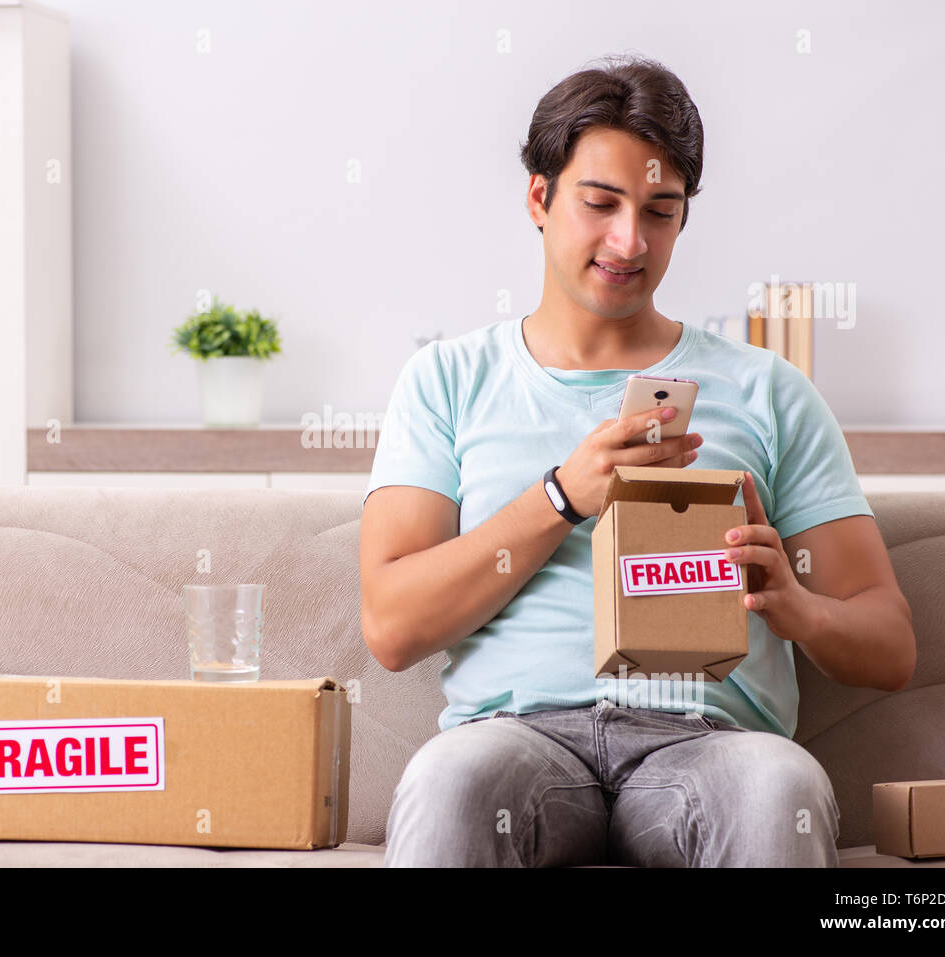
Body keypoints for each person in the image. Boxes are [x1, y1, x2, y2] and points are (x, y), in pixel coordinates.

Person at [359, 55, 915, 867]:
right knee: (446, 784)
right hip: (516, 741)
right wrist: (559, 498)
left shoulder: (767, 390)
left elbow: (891, 645)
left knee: (777, 788)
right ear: (539, 198)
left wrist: (794, 606)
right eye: (601, 203)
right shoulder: (446, 380)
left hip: (708, 744)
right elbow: (392, 626)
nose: (630, 240)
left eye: (660, 210)